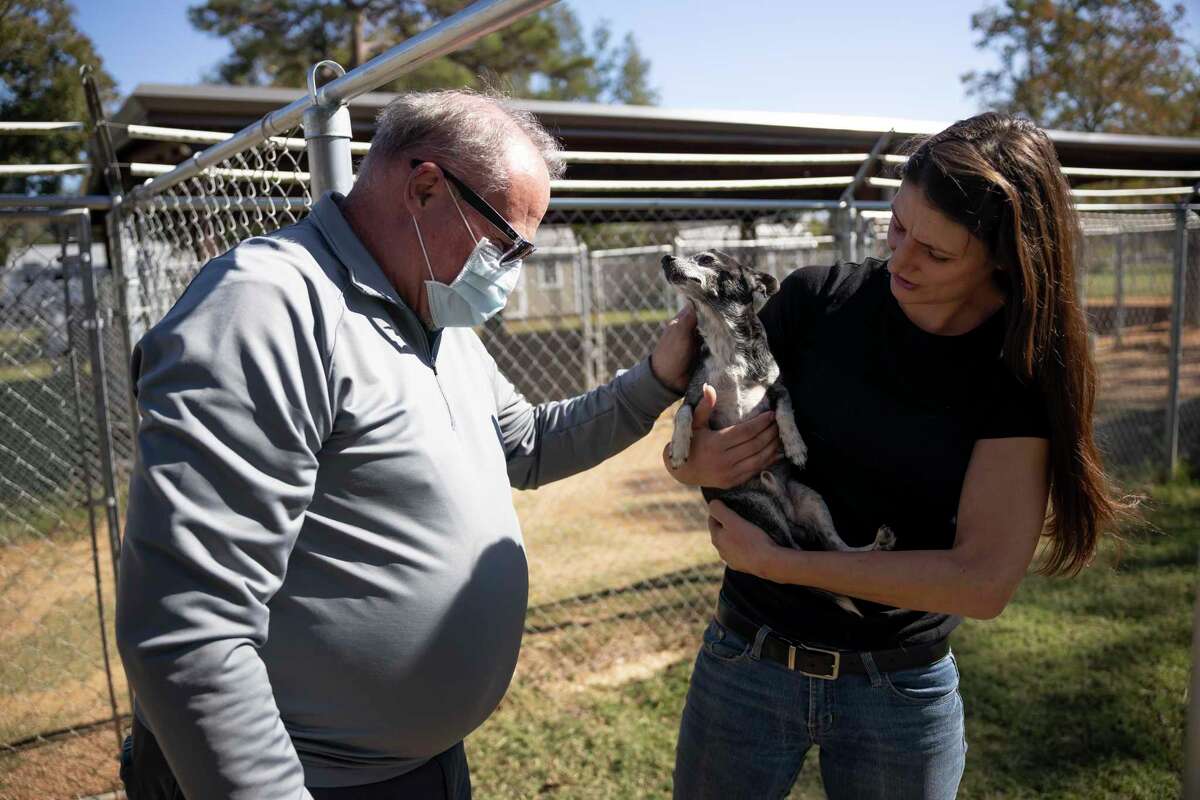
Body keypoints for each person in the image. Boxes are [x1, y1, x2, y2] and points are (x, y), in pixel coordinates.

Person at [114, 89, 698, 800]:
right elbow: (185, 626)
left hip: (421, 767)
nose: (509, 272)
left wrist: (658, 378)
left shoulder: (435, 319)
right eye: (505, 244)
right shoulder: (267, 307)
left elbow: (527, 444)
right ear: (424, 187)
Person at [665, 112, 1132, 799]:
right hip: (746, 663)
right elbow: (691, 446)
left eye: (937, 254)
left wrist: (783, 565)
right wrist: (695, 464)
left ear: (1004, 257)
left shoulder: (1014, 371)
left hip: (896, 692)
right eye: (897, 226)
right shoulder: (815, 300)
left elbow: (982, 582)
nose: (902, 260)